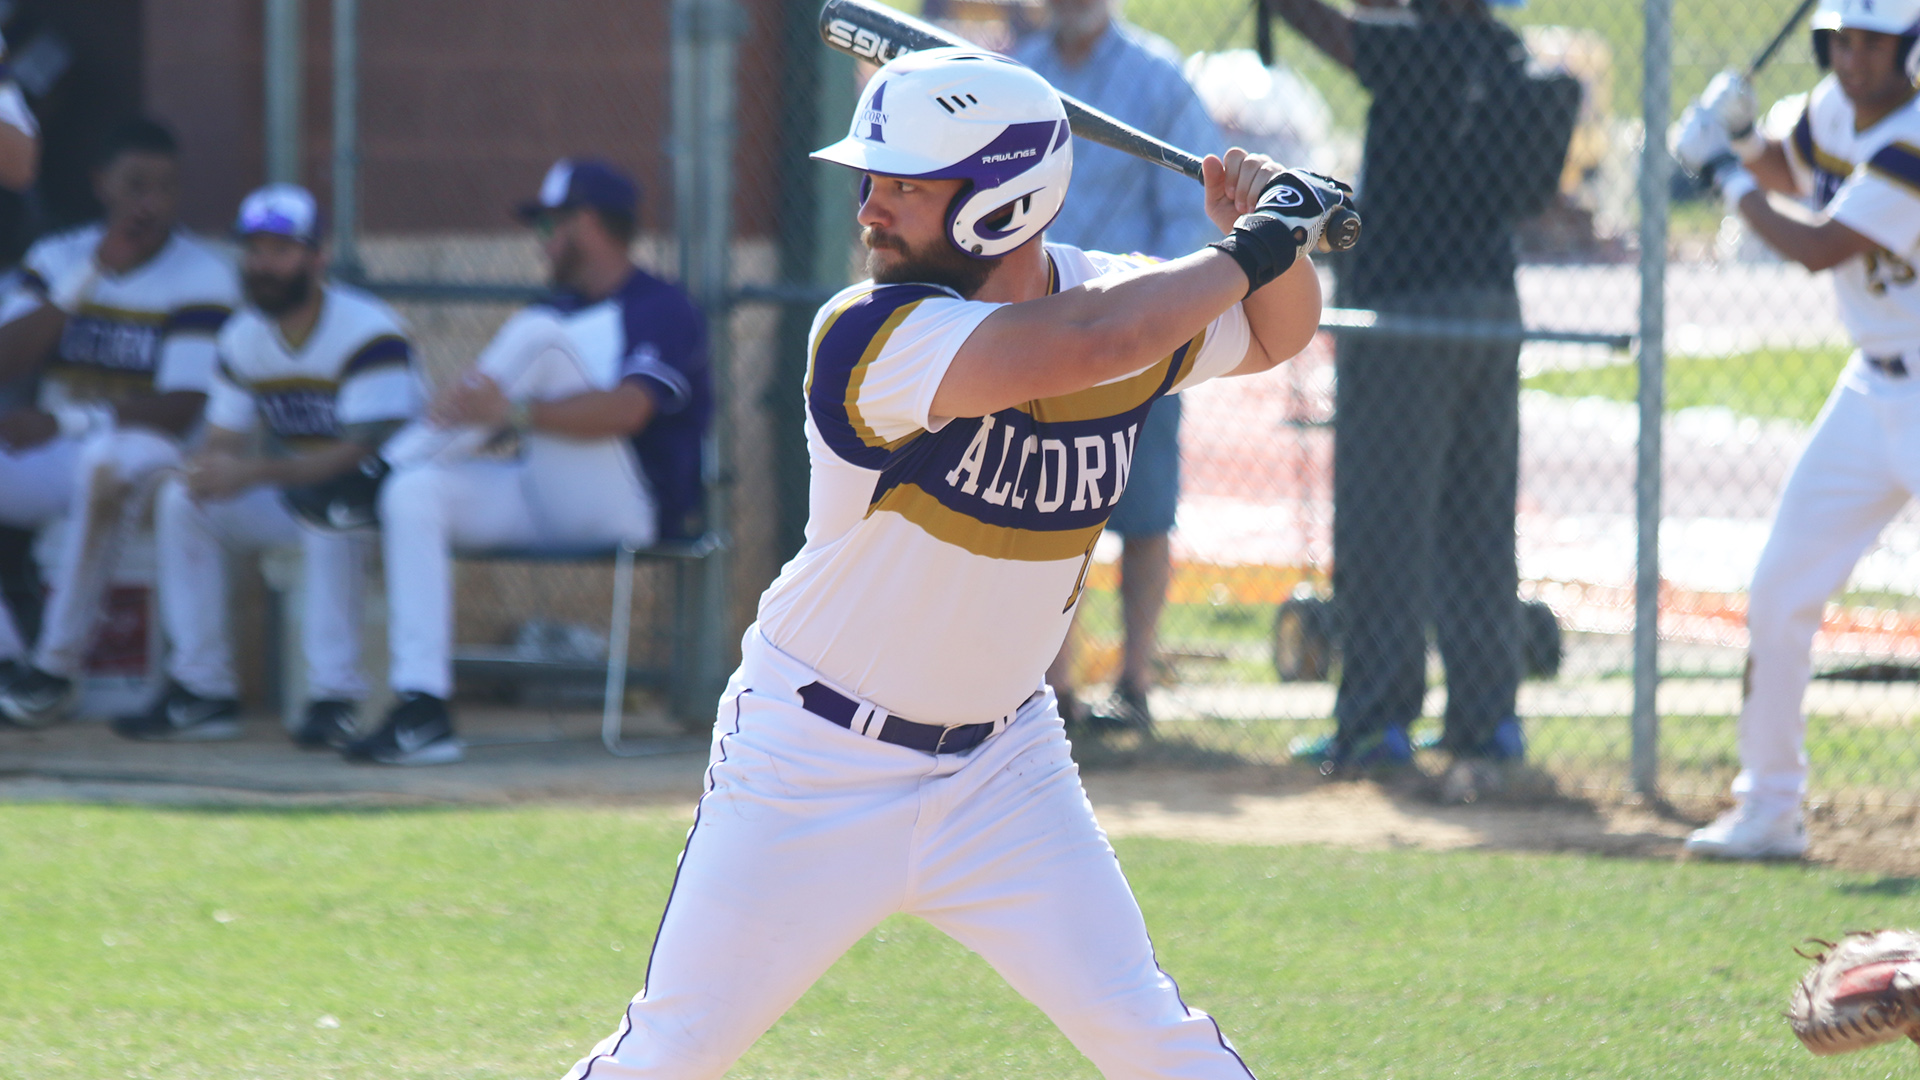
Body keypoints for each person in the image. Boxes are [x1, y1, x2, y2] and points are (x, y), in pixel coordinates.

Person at [559, 47, 1347, 1079]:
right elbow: (1084, 345)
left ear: (1002, 202)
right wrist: (1257, 240)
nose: (871, 208)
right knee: (667, 1055)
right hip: (813, 759)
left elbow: (1278, 335)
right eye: (871, 180)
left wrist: (1277, 244)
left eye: (906, 185)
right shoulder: (869, 334)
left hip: (1002, 766)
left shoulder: (1126, 303)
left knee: (1153, 1041)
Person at [343, 158, 710, 766]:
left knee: (536, 333)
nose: (540, 240)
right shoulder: (558, 306)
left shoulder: (659, 304)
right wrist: (478, 412)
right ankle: (422, 708)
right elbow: (511, 414)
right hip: (546, 489)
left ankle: (375, 470)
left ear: (586, 224)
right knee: (415, 494)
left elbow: (628, 410)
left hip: (627, 505)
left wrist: (507, 412)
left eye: (548, 225)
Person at [1668, 0, 1920, 859]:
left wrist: (1719, 174)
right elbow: (1792, 168)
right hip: (1872, 383)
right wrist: (1738, 140)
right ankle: (1770, 809)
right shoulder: (1837, 106)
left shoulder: (1916, 133)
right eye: (1841, 39)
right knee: (1779, 590)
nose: (1851, 57)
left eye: (1873, 42)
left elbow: (1820, 245)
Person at [1266, 0, 1533, 791]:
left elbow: (1334, 32)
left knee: (1384, 521)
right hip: (1490, 309)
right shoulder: (1508, 58)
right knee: (1478, 526)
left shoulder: (1423, 48)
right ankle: (1489, 721)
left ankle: (1377, 721)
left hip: (1407, 315)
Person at [108, 184, 420, 745]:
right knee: (186, 500)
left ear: (317, 257)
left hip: (391, 499)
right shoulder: (243, 336)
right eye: (254, 250)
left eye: (281, 250)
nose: (264, 264)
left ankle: (335, 697)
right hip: (301, 487)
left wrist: (249, 473)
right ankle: (202, 690)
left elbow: (360, 453)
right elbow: (227, 438)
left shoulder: (370, 330)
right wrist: (209, 469)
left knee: (330, 505)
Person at [1012, 0, 1226, 732]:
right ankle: (1052, 687)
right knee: (1042, 514)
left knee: (1144, 510)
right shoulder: (1022, 76)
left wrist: (1157, 315)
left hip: (1137, 329)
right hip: (1039, 331)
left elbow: (1190, 210)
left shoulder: (1159, 78)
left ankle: (1134, 682)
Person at [0, 117, 239, 727]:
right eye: (135, 186)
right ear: (100, 184)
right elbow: (8, 360)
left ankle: (54, 669)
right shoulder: (59, 256)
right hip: (62, 446)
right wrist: (91, 275)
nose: (149, 203)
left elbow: (182, 404)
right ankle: (8, 662)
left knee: (111, 460)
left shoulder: (203, 274)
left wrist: (65, 421)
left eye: (165, 188)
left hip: (157, 454)